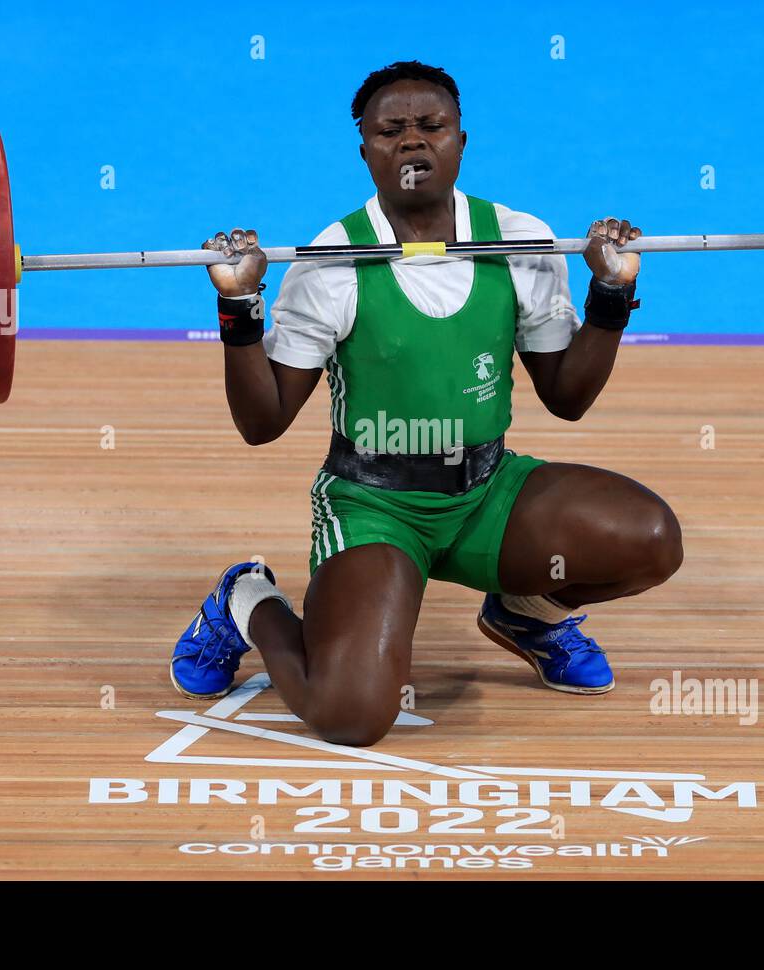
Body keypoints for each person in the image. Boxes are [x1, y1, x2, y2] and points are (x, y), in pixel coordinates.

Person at [170, 60, 682, 746]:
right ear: (366, 152)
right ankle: (247, 601)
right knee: (351, 714)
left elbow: (567, 397)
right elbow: (262, 425)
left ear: (461, 141)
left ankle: (526, 614)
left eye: (431, 126)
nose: (413, 142)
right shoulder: (332, 261)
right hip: (377, 505)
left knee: (651, 540)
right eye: (391, 130)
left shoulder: (520, 239)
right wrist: (239, 308)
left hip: (488, 494)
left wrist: (611, 296)